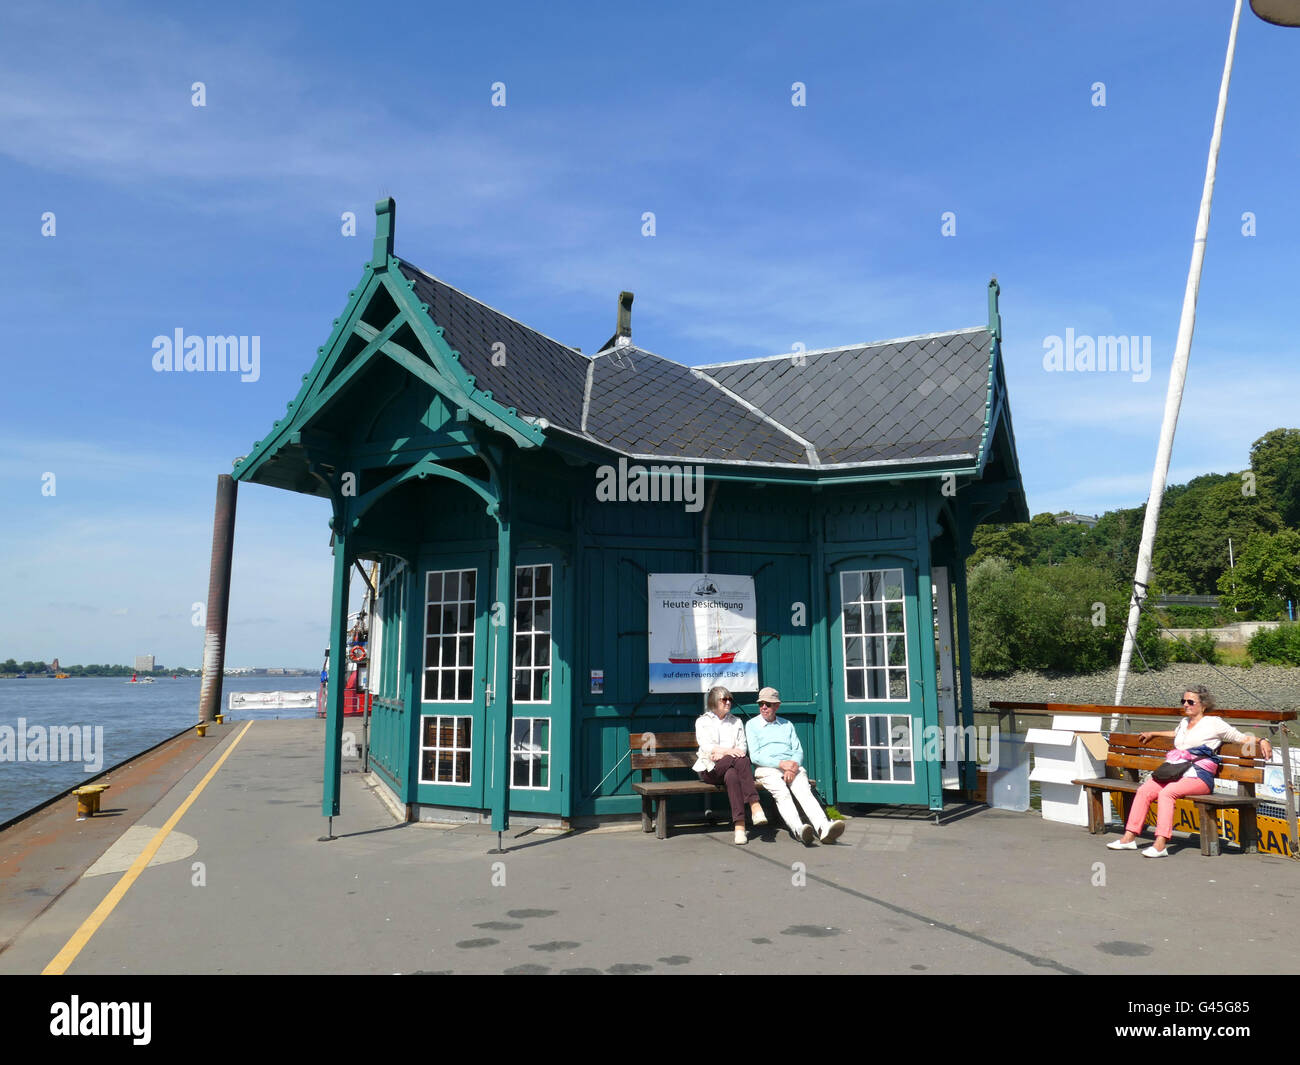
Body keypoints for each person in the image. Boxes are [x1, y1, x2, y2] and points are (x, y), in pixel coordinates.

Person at [1107, 686, 1273, 857]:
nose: (1185, 705)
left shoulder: (1214, 723)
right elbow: (1175, 733)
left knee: (1167, 793)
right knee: (1144, 790)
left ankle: (1160, 844)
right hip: (1176, 771)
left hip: (1199, 776)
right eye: (1183, 701)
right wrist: (1153, 733)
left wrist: (1262, 740)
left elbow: (1241, 737)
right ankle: (1129, 838)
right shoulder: (1184, 723)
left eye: (1190, 702)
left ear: (1203, 705)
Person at [745, 687, 845, 845]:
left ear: (776, 706)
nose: (764, 707)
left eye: (768, 704)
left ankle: (824, 828)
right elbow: (756, 756)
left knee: (804, 791)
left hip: (791, 767)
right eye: (761, 704)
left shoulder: (787, 725)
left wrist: (792, 767)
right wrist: (781, 764)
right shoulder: (752, 725)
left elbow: (798, 751)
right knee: (782, 793)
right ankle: (799, 830)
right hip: (767, 768)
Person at [694, 685, 767, 845]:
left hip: (731, 769)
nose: (728, 702)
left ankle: (739, 828)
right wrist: (728, 751)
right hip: (710, 769)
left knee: (733, 775)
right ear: (714, 701)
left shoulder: (736, 722)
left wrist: (723, 753)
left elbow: (742, 748)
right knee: (742, 760)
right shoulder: (702, 721)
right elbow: (706, 746)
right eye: (724, 699)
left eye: (730, 699)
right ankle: (755, 804)